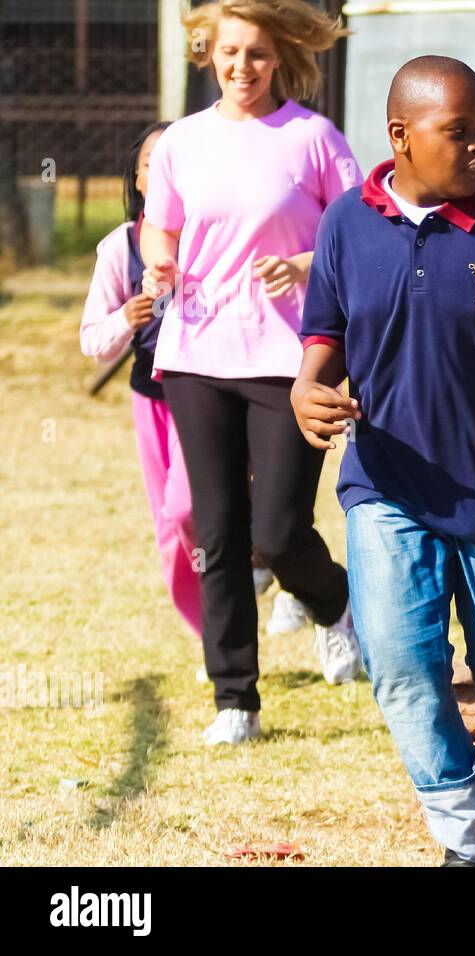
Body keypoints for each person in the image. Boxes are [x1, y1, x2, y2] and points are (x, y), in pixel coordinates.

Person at [291, 56, 475, 868]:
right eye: (458, 133)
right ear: (400, 136)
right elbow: (324, 333)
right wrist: (306, 390)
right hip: (387, 482)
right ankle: (474, 838)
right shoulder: (347, 224)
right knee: (399, 663)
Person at [140, 0, 362, 746]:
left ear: (281, 60)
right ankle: (235, 699)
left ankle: (334, 606)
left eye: (257, 55)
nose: (242, 68)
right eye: (229, 53)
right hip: (197, 354)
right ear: (209, 55)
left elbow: (358, 229)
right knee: (217, 529)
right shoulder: (183, 142)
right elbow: (159, 225)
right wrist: (159, 259)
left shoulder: (312, 138)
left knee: (280, 527)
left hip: (289, 359)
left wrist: (303, 264)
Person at [80, 121, 202, 644]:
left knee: (189, 508)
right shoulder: (118, 248)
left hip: (206, 392)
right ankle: (208, 635)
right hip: (151, 399)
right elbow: (92, 340)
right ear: (136, 178)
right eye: (154, 162)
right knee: (170, 528)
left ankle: (256, 554)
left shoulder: (211, 238)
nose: (166, 170)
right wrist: (125, 319)